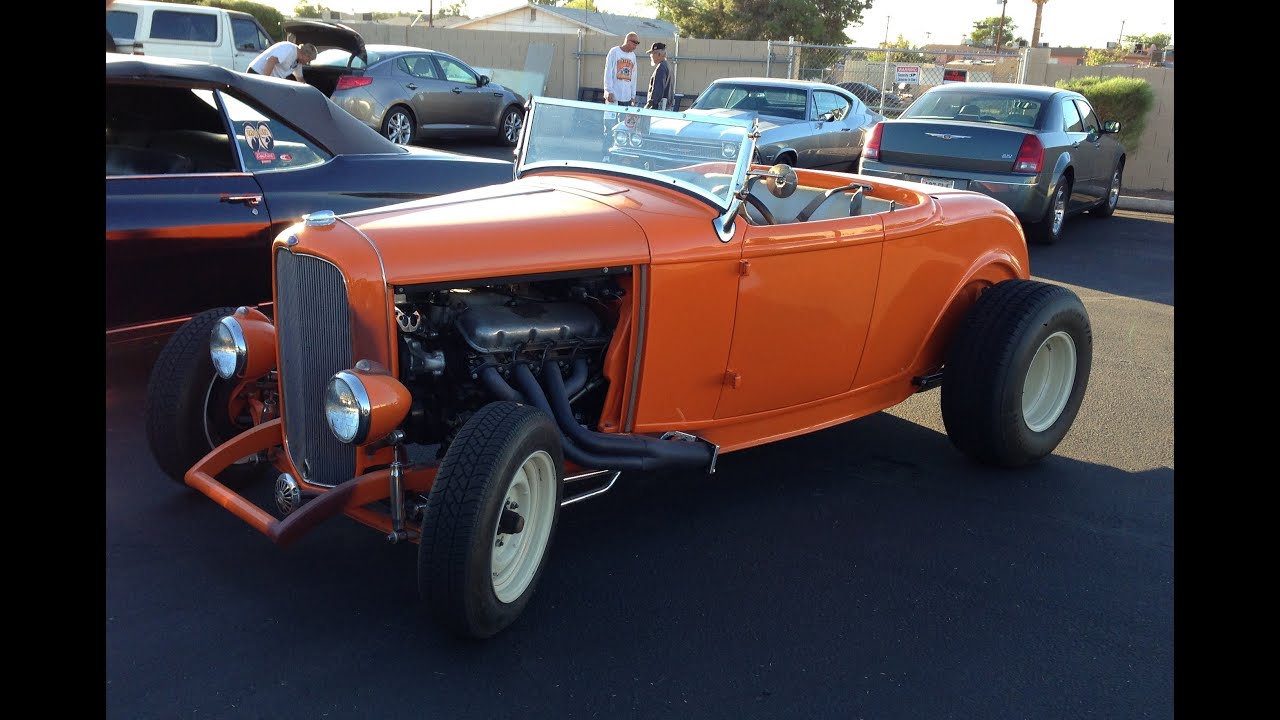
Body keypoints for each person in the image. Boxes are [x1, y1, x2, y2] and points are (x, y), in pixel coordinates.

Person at [600, 32, 640, 157]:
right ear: (628, 40)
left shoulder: (633, 56)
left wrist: (633, 96)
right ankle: (606, 154)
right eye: (634, 42)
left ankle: (621, 155)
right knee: (610, 126)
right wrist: (608, 90)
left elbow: (634, 76)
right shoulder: (614, 52)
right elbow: (608, 71)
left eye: (637, 43)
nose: (636, 46)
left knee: (624, 128)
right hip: (613, 97)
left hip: (626, 98)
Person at [248, 40, 317, 81]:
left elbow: (300, 79)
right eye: (309, 60)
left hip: (269, 80)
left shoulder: (298, 62)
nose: (308, 63)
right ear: (306, 55)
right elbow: (271, 60)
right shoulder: (289, 49)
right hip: (256, 74)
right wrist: (265, 81)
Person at [643, 42, 674, 111]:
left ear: (659, 54)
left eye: (652, 53)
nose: (651, 56)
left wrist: (650, 105)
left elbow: (658, 90)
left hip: (659, 108)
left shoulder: (661, 67)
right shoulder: (668, 66)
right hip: (667, 106)